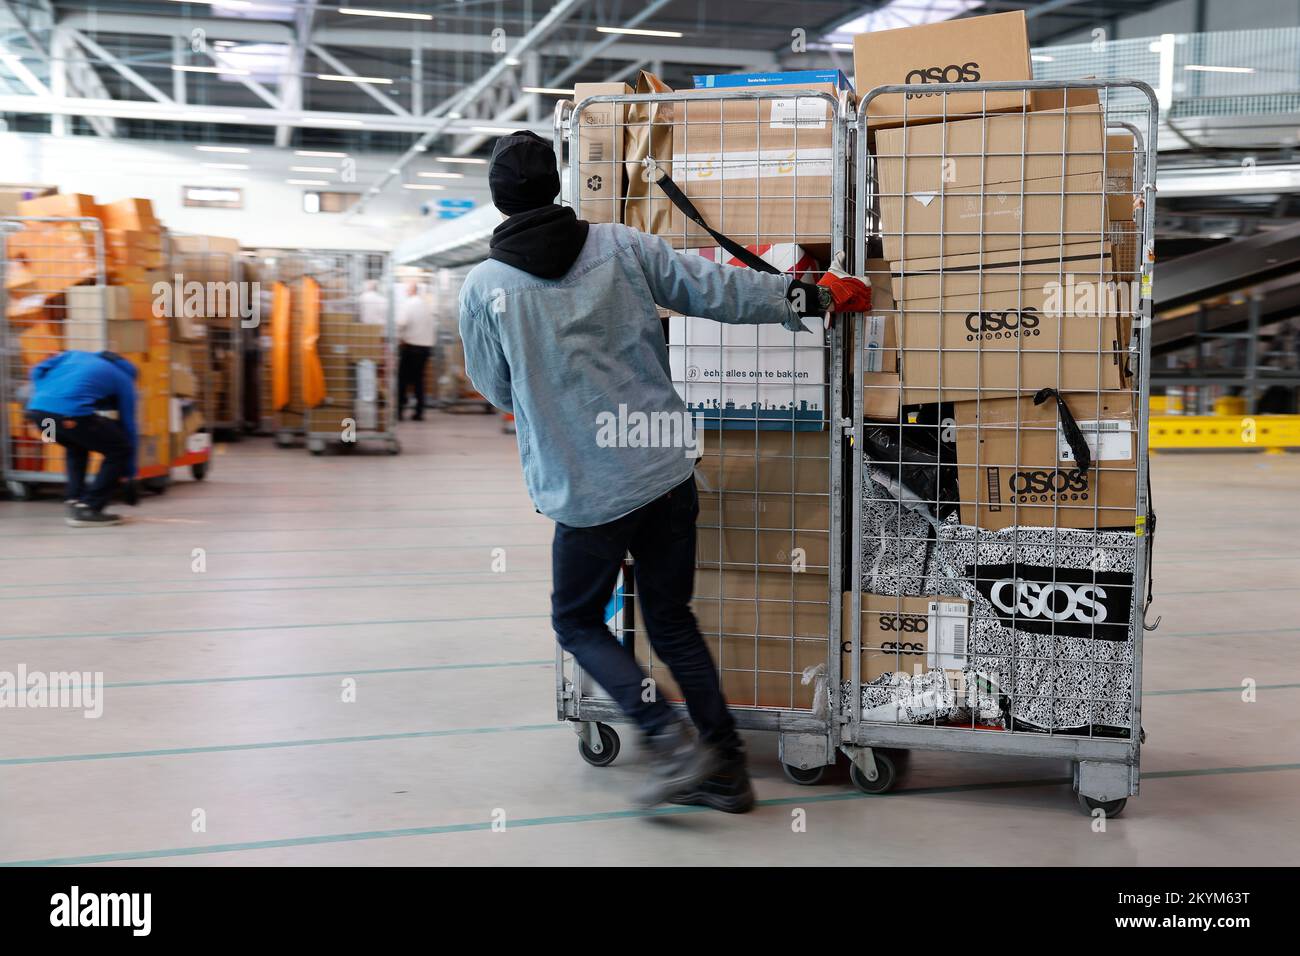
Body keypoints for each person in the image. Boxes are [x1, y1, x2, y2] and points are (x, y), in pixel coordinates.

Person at [458, 130, 870, 813]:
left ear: (498, 199)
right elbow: (723, 292)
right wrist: (815, 296)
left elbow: (499, 389)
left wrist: (546, 392)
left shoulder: (485, 288)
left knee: (578, 622)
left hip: (586, 490)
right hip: (662, 468)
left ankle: (664, 734)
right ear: (557, 186)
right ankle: (728, 768)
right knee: (671, 618)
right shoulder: (620, 246)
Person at [25, 350, 138, 527]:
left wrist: (45, 396)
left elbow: (36, 370)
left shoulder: (74, 355)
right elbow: (129, 426)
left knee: (76, 444)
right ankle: (89, 508)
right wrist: (130, 475)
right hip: (68, 417)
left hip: (40, 417)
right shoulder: (125, 379)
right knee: (120, 448)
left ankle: (74, 499)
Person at [396, 280, 435, 420]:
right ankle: (419, 412)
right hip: (425, 347)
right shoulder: (426, 305)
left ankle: (399, 412)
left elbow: (401, 322)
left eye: (407, 289)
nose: (406, 292)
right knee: (419, 380)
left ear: (411, 291)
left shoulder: (407, 304)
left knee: (402, 380)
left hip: (410, 347)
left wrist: (398, 337)